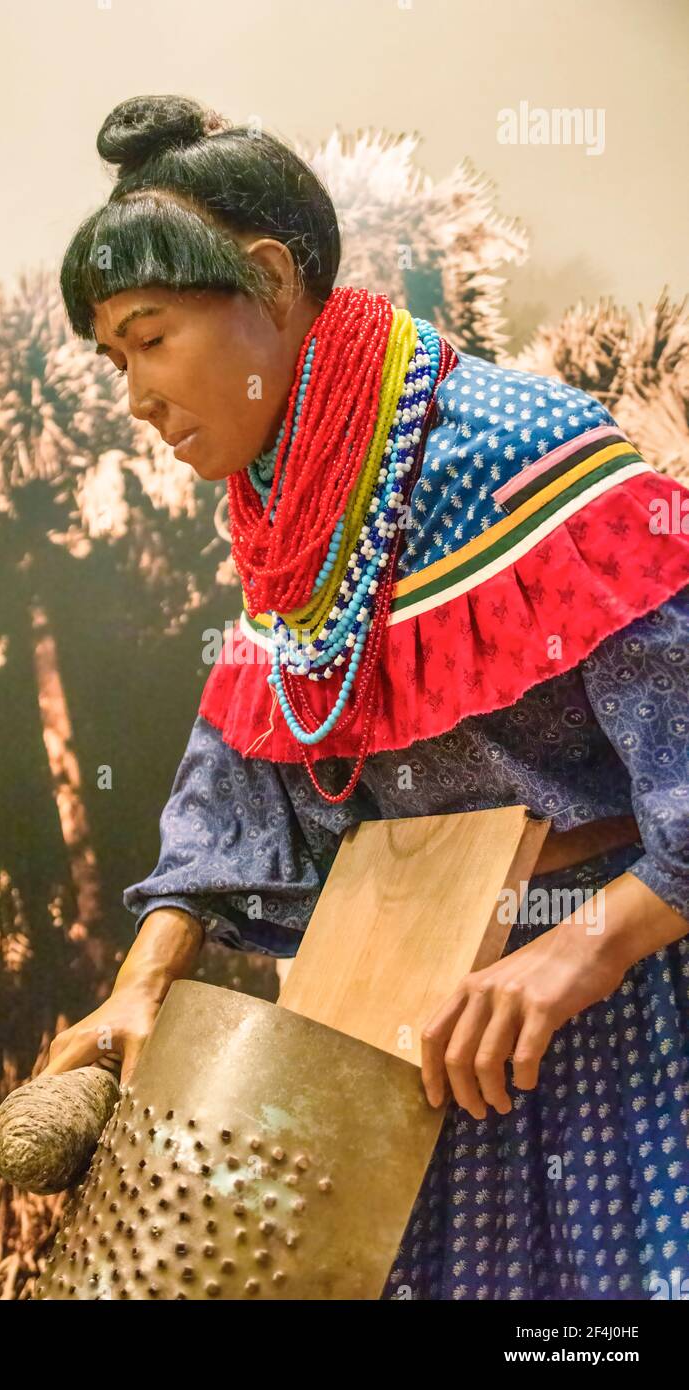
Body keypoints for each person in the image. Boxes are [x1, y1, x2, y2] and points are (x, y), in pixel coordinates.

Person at [42, 94, 689, 1300]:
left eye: (149, 335)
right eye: (113, 356)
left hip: (596, 1031)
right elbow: (241, 783)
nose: (132, 392)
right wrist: (142, 981)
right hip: (384, 1027)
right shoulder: (290, 516)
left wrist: (583, 951)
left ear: (271, 280)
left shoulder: (510, 446)